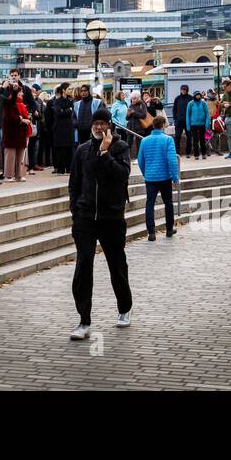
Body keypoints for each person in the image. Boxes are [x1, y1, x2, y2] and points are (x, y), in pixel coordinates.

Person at [67, 108, 132, 339]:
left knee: (117, 264)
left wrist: (105, 154)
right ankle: (84, 321)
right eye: (95, 123)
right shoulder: (83, 150)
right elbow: (74, 182)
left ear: (110, 126)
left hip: (111, 217)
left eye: (102, 123)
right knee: (83, 266)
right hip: (85, 218)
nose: (98, 127)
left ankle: (124, 308)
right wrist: (75, 209)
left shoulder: (120, 147)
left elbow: (122, 175)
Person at [137, 116, 179, 241]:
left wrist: (146, 173)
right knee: (168, 203)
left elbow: (140, 160)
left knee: (150, 203)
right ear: (163, 125)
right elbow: (172, 160)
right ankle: (169, 229)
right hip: (165, 177)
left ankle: (151, 232)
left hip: (150, 178)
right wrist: (175, 177)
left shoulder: (145, 141)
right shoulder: (167, 140)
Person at [0, 78, 31, 182]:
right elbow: (10, 117)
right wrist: (21, 119)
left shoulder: (20, 104)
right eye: (20, 92)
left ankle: (19, 174)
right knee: (10, 155)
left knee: (20, 155)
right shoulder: (8, 102)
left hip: (20, 133)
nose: (22, 94)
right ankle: (8, 175)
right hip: (11, 133)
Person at [46, 82, 75, 175]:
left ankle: (69, 168)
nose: (71, 91)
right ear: (64, 90)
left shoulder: (71, 101)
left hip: (69, 128)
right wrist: (68, 110)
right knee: (61, 149)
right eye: (69, 89)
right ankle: (60, 169)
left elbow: (71, 112)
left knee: (69, 149)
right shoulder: (57, 101)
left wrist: (66, 111)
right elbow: (59, 113)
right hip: (60, 128)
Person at [185, 90, 209, 159]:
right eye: (196, 95)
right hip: (193, 125)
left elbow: (207, 114)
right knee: (195, 140)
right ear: (194, 96)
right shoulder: (190, 103)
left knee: (202, 140)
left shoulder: (204, 103)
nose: (198, 96)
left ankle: (204, 154)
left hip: (202, 124)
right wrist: (188, 125)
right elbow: (187, 115)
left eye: (199, 95)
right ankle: (196, 155)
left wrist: (207, 124)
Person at [172, 85, 192, 156]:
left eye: (185, 89)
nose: (183, 91)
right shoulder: (177, 98)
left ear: (187, 90)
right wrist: (175, 119)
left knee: (189, 137)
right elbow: (174, 109)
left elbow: (192, 110)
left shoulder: (190, 98)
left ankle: (188, 152)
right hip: (179, 121)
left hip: (188, 121)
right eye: (182, 89)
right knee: (177, 136)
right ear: (180, 90)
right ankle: (177, 152)